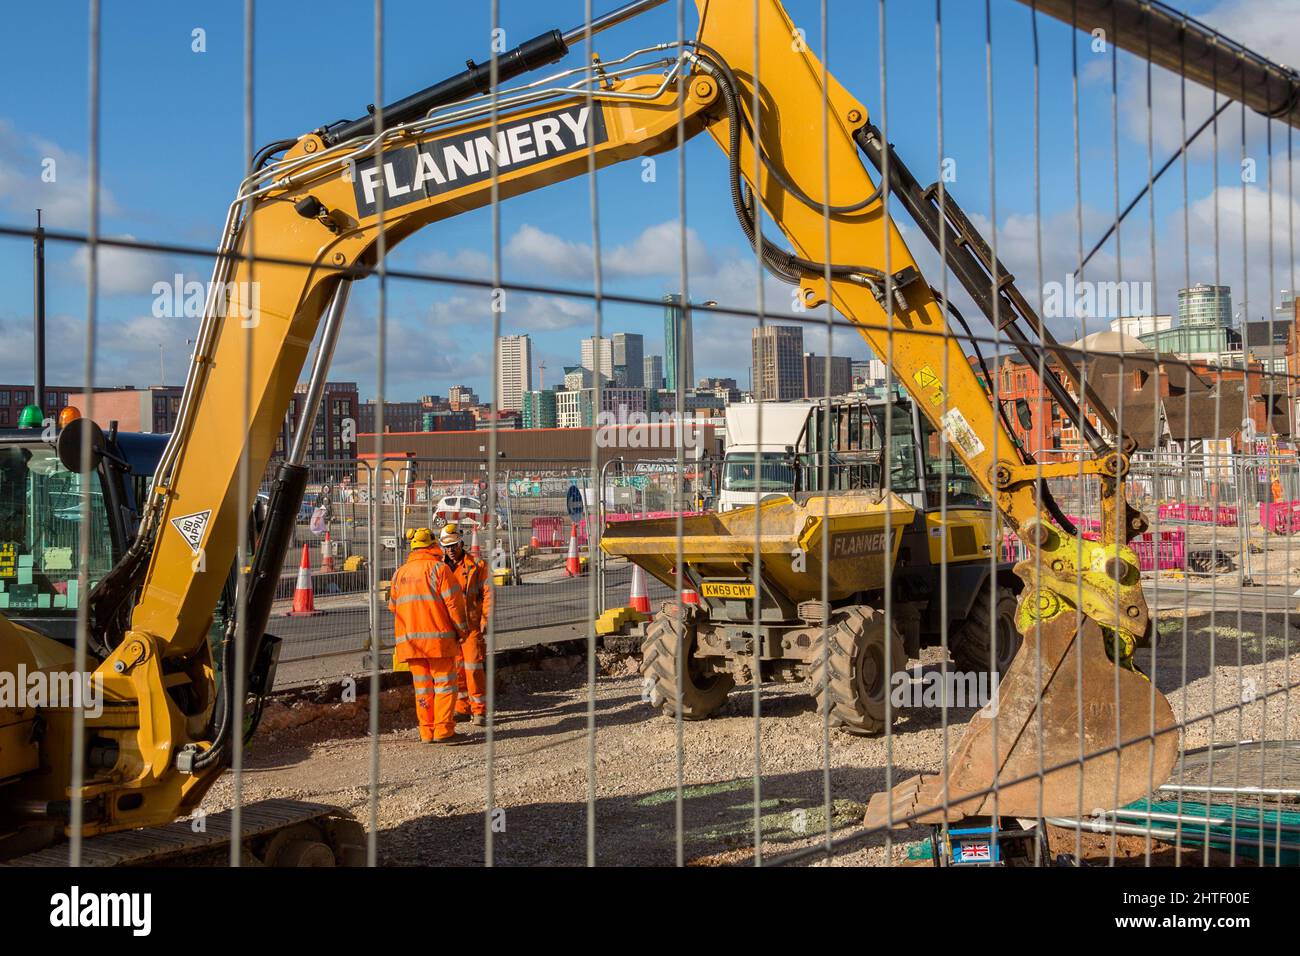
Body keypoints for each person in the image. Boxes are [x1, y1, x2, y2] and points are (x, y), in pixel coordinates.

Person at [388, 527, 469, 743]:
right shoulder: (439, 570)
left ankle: (426, 731)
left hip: (411, 644)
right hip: (438, 642)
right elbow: (455, 605)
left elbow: (393, 606)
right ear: (433, 546)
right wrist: (462, 631)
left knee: (422, 689)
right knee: (444, 685)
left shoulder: (399, 574)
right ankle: (443, 730)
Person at [441, 523, 494, 726]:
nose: (451, 550)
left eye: (454, 546)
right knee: (457, 669)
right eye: (447, 547)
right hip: (450, 629)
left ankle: (479, 710)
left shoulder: (476, 566)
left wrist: (485, 619)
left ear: (461, 543)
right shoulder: (440, 567)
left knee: (473, 668)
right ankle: (462, 707)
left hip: (471, 627)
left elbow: (488, 594)